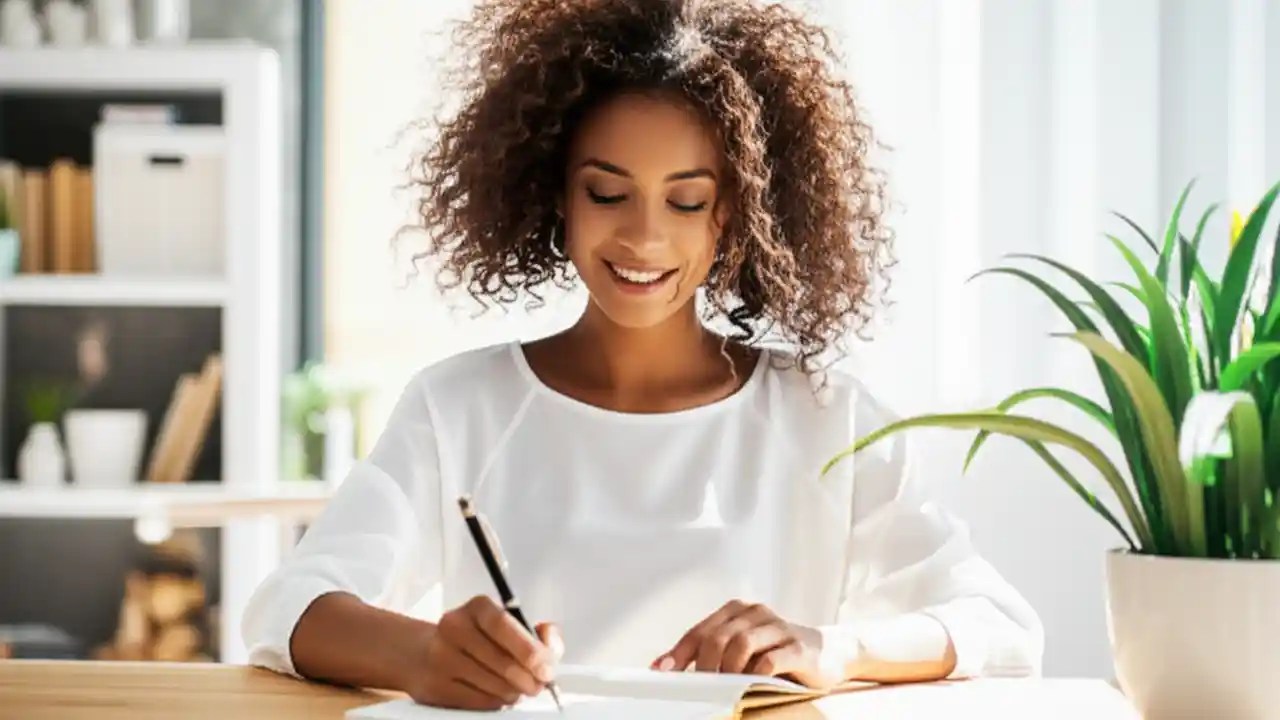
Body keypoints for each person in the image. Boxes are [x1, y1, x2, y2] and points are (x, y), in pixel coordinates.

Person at [242, 0, 1043, 711]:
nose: (645, 237)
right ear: (556, 193)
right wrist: (420, 653)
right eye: (606, 192)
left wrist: (830, 651)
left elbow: (1001, 627)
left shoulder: (824, 417)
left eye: (686, 200)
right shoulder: (461, 407)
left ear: (733, 214)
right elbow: (286, 608)